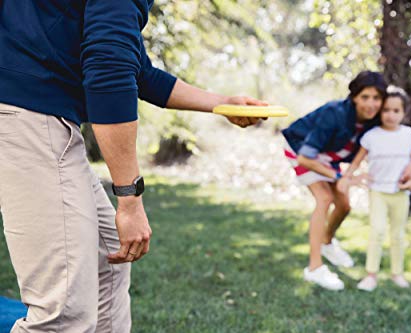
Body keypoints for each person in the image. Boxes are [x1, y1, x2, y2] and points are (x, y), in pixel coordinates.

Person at [0, 1, 265, 332]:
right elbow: (109, 69)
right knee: (63, 315)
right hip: (27, 111)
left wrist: (220, 104)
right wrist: (129, 200)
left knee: (107, 252)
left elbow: (135, 68)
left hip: (29, 107)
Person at [282, 71, 411, 290]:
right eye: (365, 97)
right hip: (302, 150)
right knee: (325, 199)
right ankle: (314, 268)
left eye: (376, 98)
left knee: (344, 206)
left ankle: (327, 243)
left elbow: (402, 146)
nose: (371, 104)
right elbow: (305, 158)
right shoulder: (333, 114)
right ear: (354, 97)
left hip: (329, 155)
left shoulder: (376, 119)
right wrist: (341, 177)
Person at [337, 86, 411, 291]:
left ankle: (397, 273)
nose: (390, 115)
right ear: (380, 111)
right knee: (377, 231)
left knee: (398, 234)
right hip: (377, 192)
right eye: (386, 110)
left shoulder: (409, 135)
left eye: (396, 111)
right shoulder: (371, 136)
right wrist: (347, 178)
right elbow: (356, 162)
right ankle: (371, 275)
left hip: (400, 194)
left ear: (403, 113)